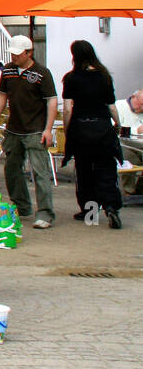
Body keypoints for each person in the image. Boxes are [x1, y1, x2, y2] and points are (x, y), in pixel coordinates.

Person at [0, 35, 57, 229]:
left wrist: (48, 129)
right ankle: (22, 205)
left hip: (35, 129)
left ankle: (45, 212)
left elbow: (52, 100)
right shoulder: (8, 70)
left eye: (18, 54)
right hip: (14, 128)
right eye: (13, 54)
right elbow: (2, 95)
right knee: (12, 169)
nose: (14, 57)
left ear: (29, 53)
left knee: (40, 171)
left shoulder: (42, 73)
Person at [62, 40, 123, 229]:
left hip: (81, 129)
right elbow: (111, 105)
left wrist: (67, 129)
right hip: (103, 128)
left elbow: (67, 109)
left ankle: (90, 212)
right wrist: (118, 124)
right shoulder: (104, 76)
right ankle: (111, 206)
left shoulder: (71, 78)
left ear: (75, 56)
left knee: (85, 171)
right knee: (106, 168)